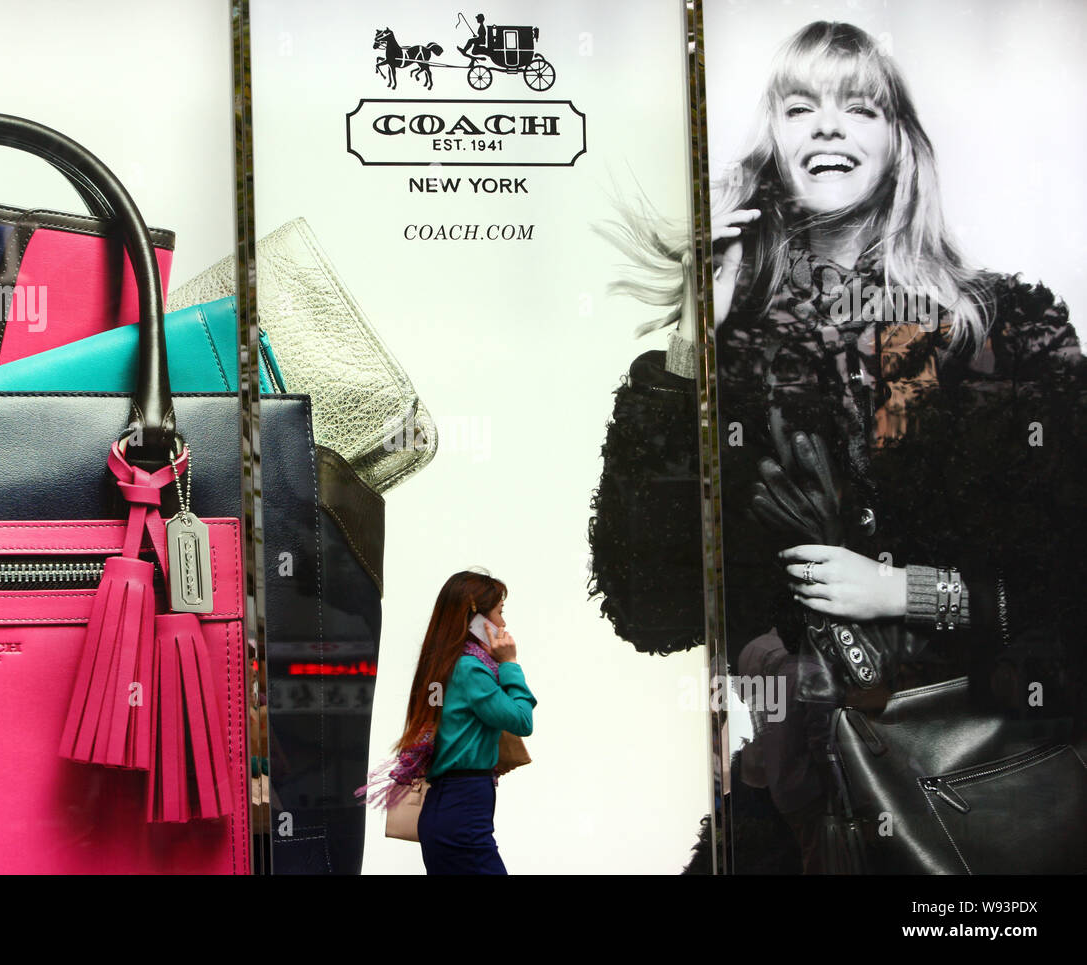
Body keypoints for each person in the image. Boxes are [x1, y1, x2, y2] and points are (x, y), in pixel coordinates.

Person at [591, 20, 1086, 871]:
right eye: (799, 106)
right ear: (774, 144)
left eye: (859, 107)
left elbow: (1068, 579)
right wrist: (688, 340)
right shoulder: (730, 354)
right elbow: (648, 602)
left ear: (898, 143)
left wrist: (907, 590)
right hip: (791, 809)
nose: (827, 125)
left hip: (972, 798)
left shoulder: (1004, 329)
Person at [371, 570, 536, 874]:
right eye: (499, 612)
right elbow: (521, 720)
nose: (503, 624)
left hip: (446, 805)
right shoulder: (470, 670)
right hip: (464, 805)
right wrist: (510, 664)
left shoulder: (442, 666)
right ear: (476, 618)